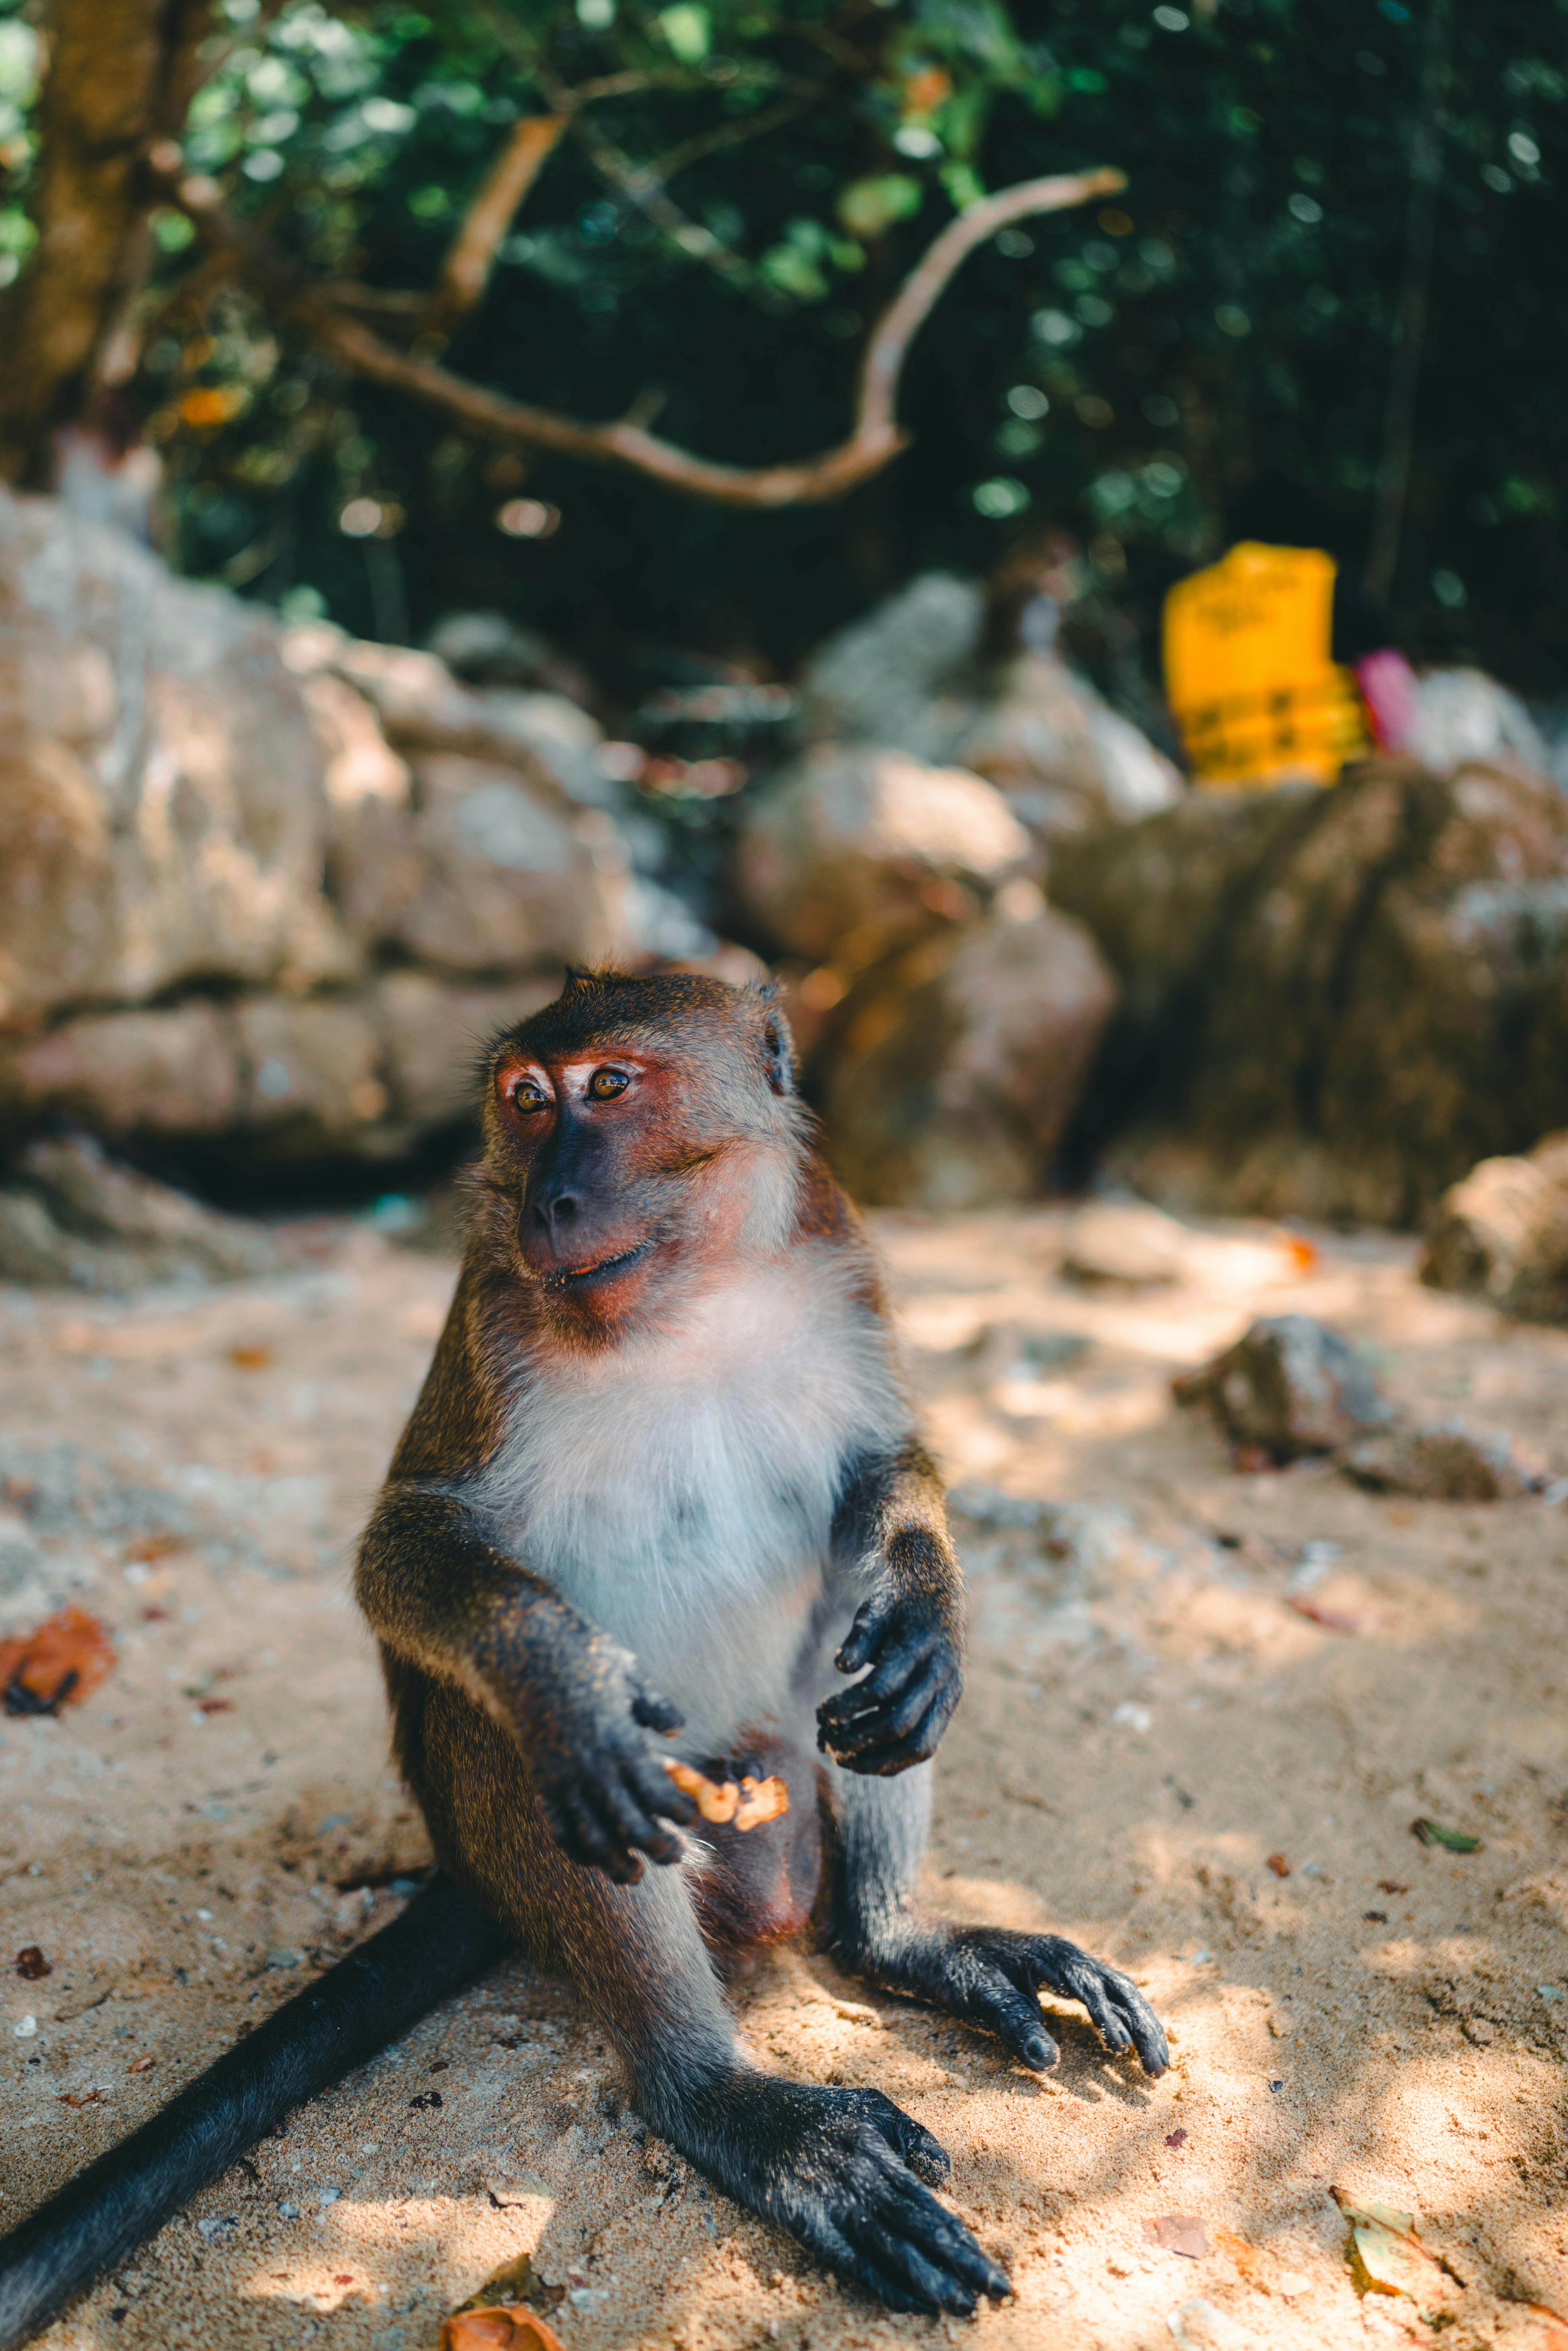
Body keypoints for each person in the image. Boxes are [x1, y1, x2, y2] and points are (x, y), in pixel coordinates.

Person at [1162, 474, 1418, 787]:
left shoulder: (1184, 603)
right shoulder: (1324, 582)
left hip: (1220, 795)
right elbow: (1396, 712)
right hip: (1327, 786)